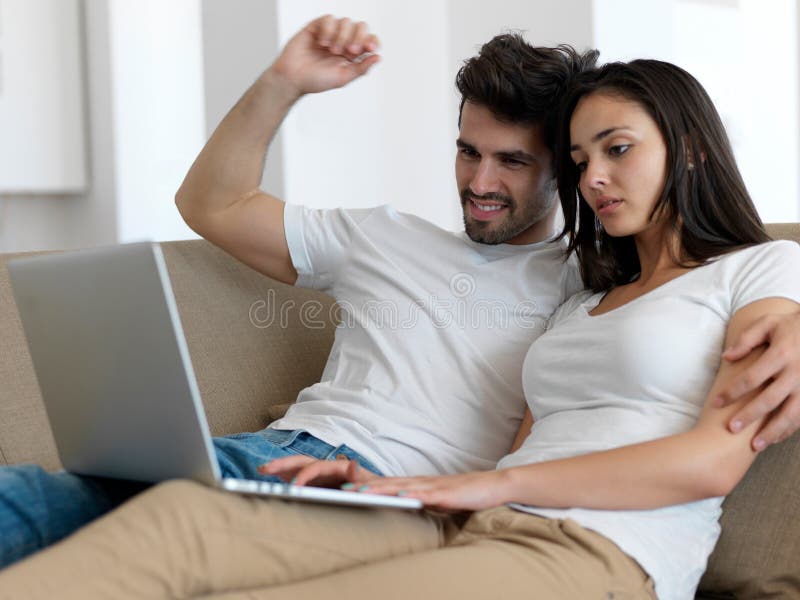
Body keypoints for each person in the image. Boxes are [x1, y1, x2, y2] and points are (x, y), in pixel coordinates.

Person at [1, 17, 799, 597]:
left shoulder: (609, 280)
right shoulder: (545, 293)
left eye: (516, 162)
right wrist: (286, 83)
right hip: (338, 474)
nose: (482, 182)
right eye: (468, 151)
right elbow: (210, 203)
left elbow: (708, 426)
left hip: (487, 514)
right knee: (113, 515)